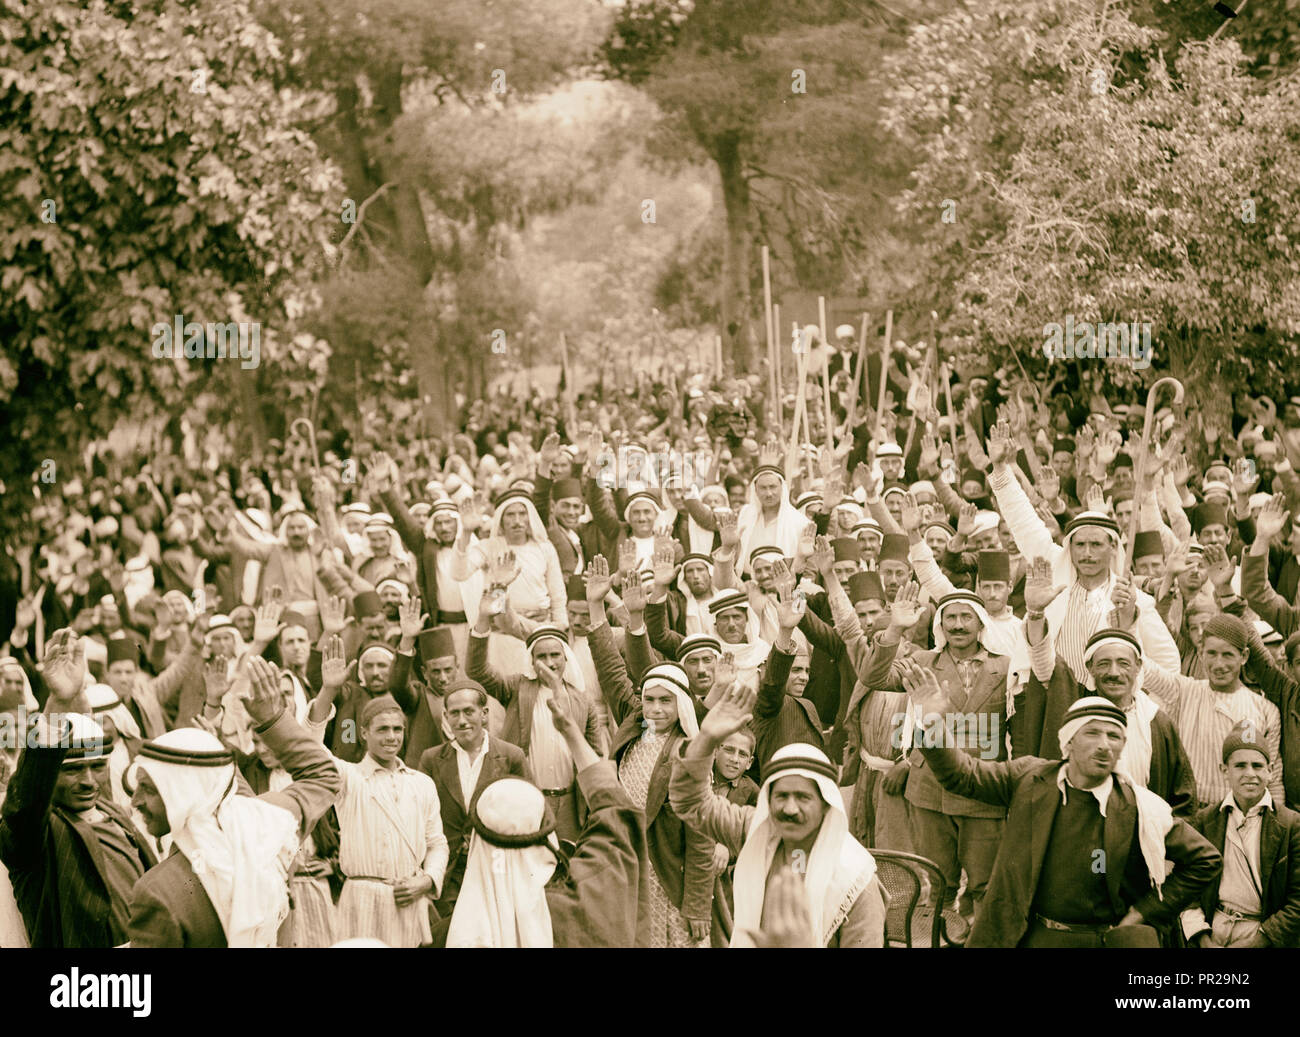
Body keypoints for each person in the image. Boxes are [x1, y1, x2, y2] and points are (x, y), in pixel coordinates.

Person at [906, 664, 1221, 948]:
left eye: (1114, 736)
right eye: (1093, 733)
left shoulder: (1140, 808)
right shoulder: (1029, 778)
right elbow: (963, 776)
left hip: (1105, 940)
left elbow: (1205, 860)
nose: (1104, 744)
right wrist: (932, 720)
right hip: (1035, 936)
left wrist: (1144, 912)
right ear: (1069, 742)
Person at [126, 655, 342, 946]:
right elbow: (323, 775)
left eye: (150, 789)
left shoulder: (158, 892)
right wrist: (273, 718)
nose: (135, 802)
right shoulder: (266, 824)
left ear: (185, 793)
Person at [670, 682, 887, 947]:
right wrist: (706, 739)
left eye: (803, 797)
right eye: (781, 796)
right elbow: (691, 802)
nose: (790, 809)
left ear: (826, 805)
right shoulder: (758, 830)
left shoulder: (855, 880)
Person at [440, 684, 649, 947]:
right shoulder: (586, 897)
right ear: (544, 829)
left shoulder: (446, 934)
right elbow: (617, 815)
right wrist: (571, 732)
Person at [0, 631, 156, 947]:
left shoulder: (115, 814)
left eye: (97, 767)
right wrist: (57, 705)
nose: (87, 781)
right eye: (71, 770)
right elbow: (26, 802)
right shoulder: (36, 833)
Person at [416, 679, 530, 918]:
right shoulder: (432, 759)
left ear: (484, 713)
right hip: (449, 871)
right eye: (454, 713)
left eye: (469, 711)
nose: (462, 720)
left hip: (496, 867)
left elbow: (530, 815)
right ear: (446, 716)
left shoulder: (511, 757)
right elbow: (419, 818)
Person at [1180, 725, 1300, 947]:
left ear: (1270, 770)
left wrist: (1260, 940)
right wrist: (1201, 937)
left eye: (1257, 766)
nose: (1250, 774)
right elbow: (1187, 888)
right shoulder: (1204, 821)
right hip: (1213, 928)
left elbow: (1297, 901)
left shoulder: (1291, 825)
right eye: (1240, 766)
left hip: (1263, 934)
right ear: (1224, 770)